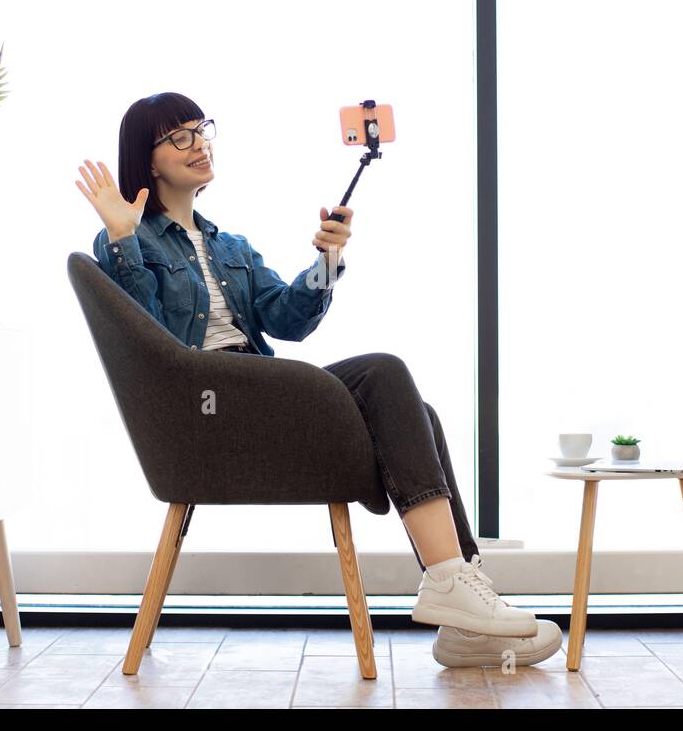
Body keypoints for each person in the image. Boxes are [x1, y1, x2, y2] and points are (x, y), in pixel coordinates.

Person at [75, 91, 561, 668]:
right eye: (179, 136)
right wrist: (126, 238)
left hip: (262, 393)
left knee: (417, 413)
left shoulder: (230, 246)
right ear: (149, 160)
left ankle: (464, 609)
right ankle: (453, 585)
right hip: (208, 408)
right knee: (382, 372)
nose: (199, 143)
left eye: (201, 129)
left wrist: (326, 264)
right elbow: (148, 343)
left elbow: (285, 321)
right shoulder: (128, 239)